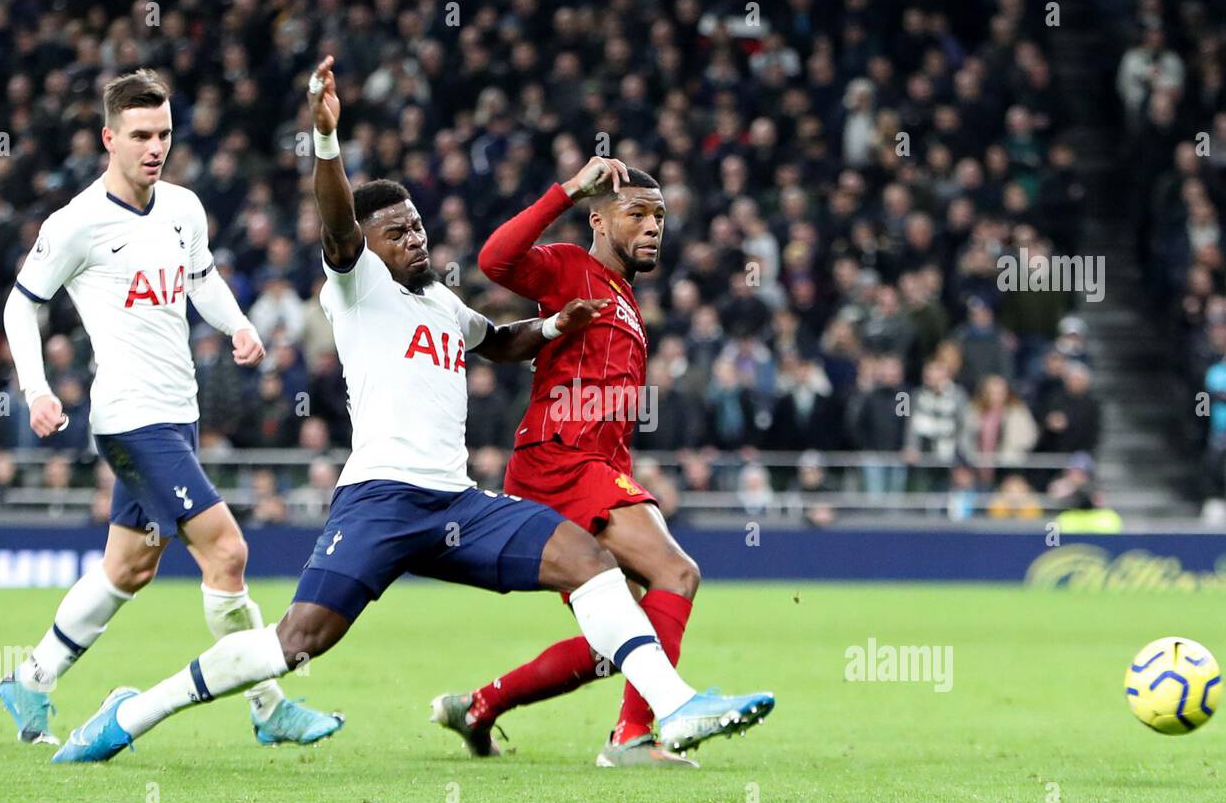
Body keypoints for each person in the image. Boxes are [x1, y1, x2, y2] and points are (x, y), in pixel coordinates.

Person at [50, 57, 773, 764]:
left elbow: (499, 341)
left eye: (418, 225)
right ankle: (134, 711)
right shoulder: (356, 284)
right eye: (397, 232)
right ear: (369, 246)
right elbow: (336, 219)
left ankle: (668, 708)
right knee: (296, 641)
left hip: (455, 504)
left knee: (586, 559)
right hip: (381, 501)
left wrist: (553, 330)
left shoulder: (441, 302)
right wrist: (327, 139)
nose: (416, 238)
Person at [0, 68, 342, 748]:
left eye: (164, 134)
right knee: (229, 551)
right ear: (109, 138)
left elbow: (202, 278)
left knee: (129, 566)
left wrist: (238, 325)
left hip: (176, 412)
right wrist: (37, 388)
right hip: (130, 418)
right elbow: (21, 304)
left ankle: (31, 679)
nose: (154, 147)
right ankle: (270, 706)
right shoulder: (77, 223)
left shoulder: (184, 207)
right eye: (140, 136)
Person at [429, 152, 718, 769]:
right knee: (678, 573)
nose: (652, 227)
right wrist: (565, 190)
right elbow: (494, 260)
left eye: (660, 217)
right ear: (598, 221)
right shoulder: (569, 268)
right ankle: (632, 739)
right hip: (561, 462)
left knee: (619, 642)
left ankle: (479, 706)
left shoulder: (626, 301)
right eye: (636, 213)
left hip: (589, 467)